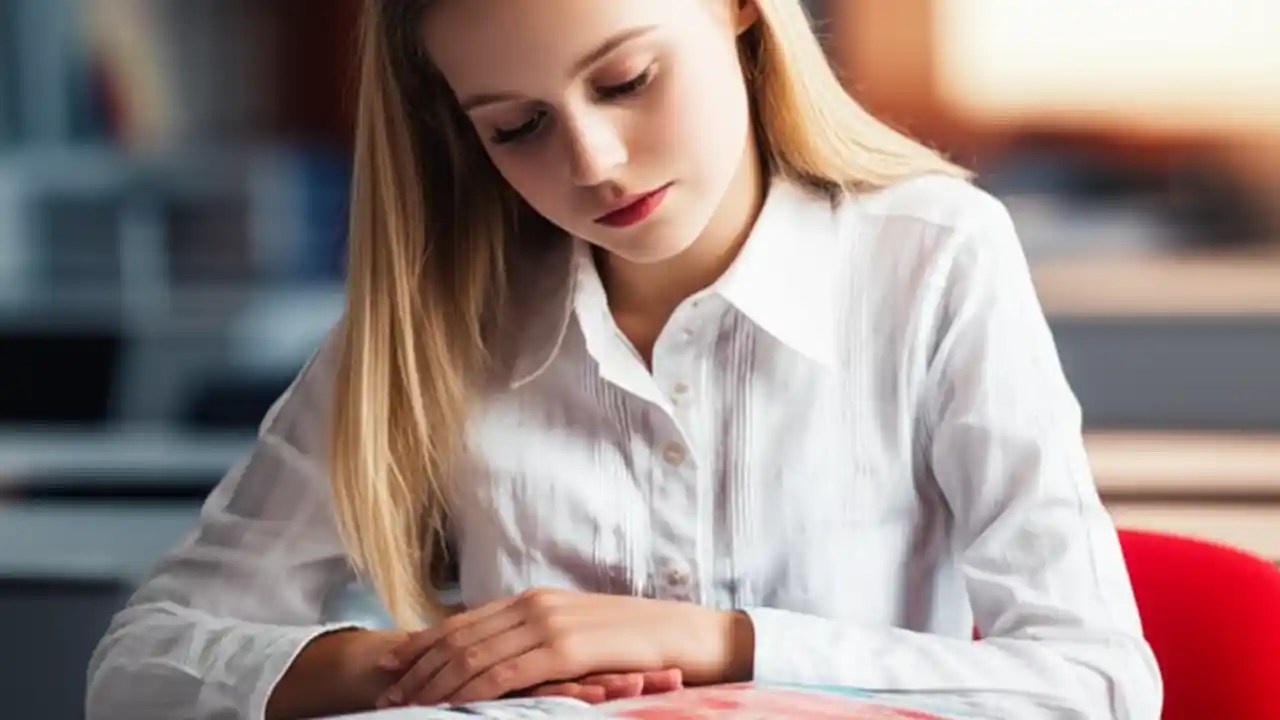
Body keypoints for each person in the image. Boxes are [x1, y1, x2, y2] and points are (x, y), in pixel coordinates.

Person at [86, 0, 1163, 718]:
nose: (593, 164)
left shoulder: (932, 257)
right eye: (515, 129)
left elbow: (1094, 684)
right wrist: (430, 667)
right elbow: (138, 667)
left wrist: (715, 644)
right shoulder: (439, 316)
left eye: (627, 79)